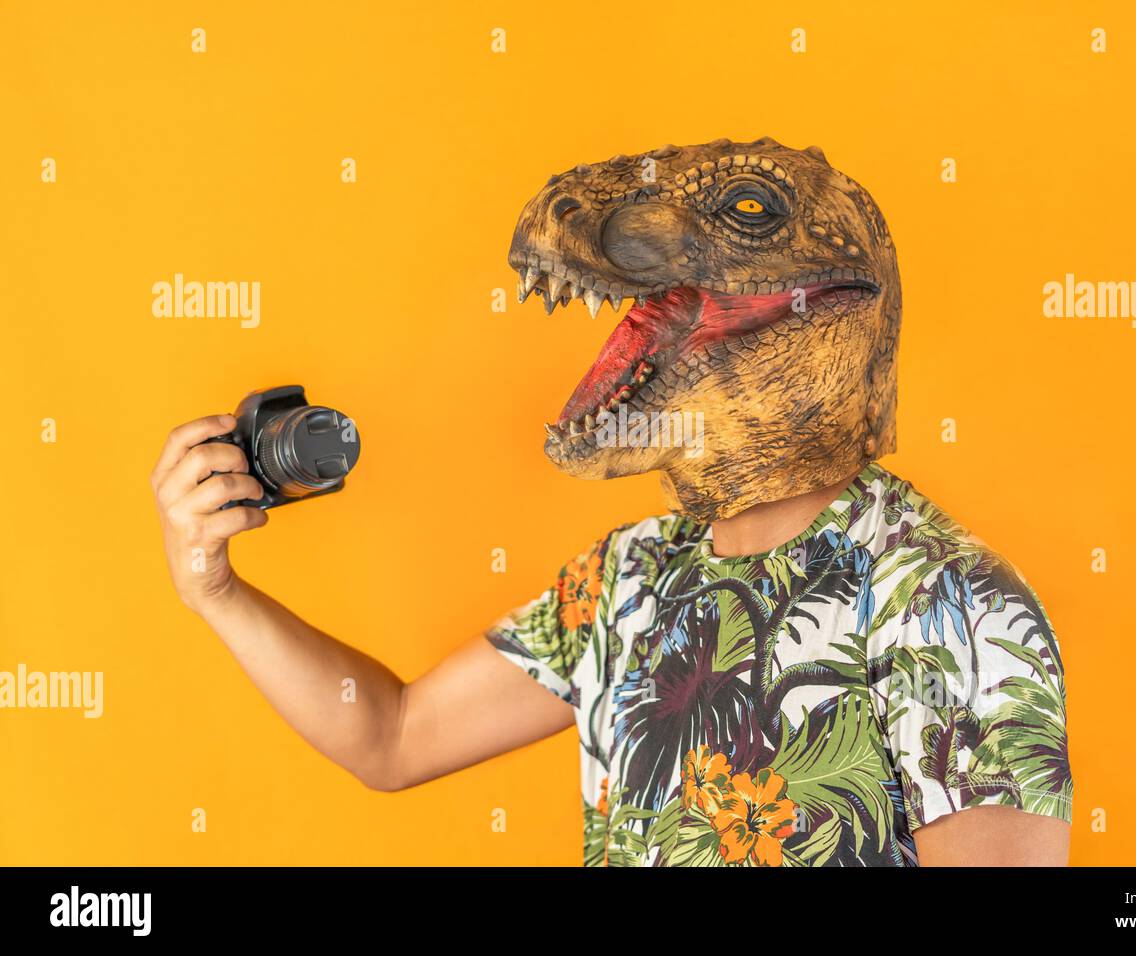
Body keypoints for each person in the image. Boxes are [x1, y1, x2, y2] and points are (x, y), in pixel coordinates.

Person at [151, 138, 1072, 867]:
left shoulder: (951, 602)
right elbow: (390, 736)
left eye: (749, 212)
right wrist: (216, 591)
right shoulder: (631, 576)